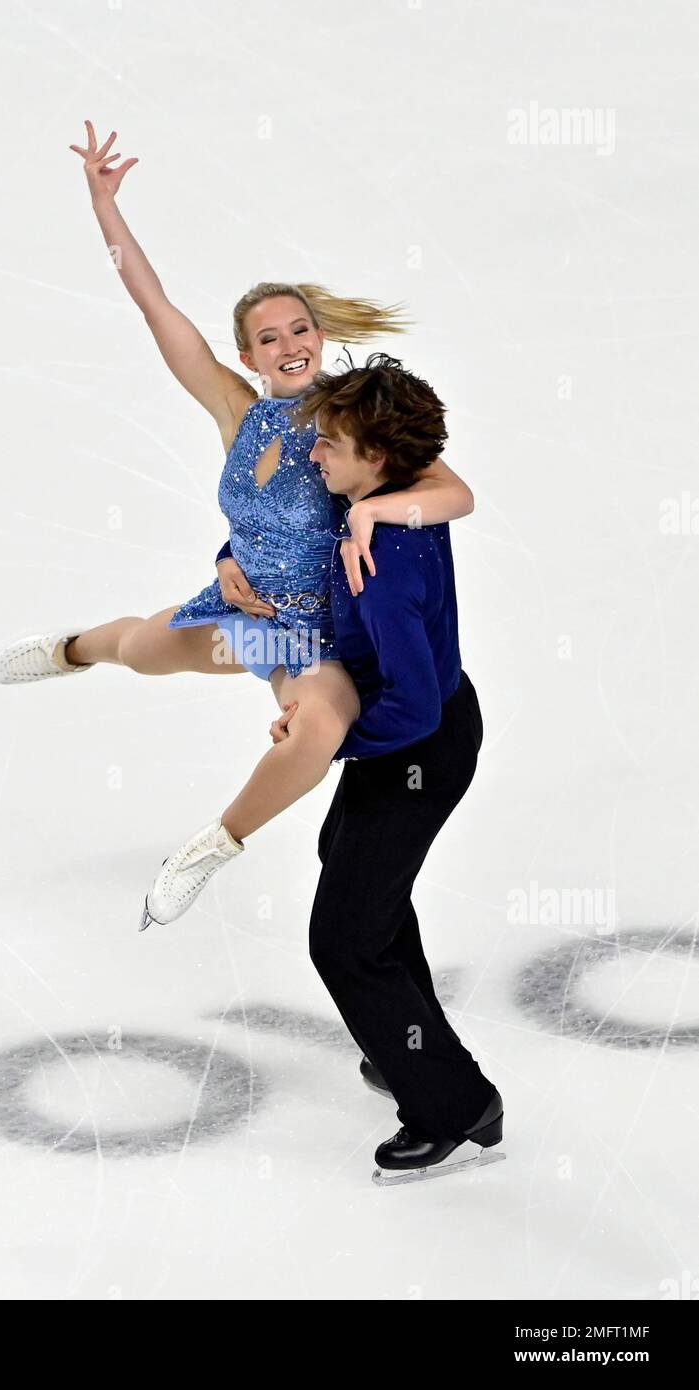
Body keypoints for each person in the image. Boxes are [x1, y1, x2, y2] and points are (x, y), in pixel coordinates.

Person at [0, 122, 474, 929]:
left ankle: (212, 845)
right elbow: (154, 306)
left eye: (299, 330)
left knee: (315, 727)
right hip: (237, 616)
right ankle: (71, 651)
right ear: (246, 356)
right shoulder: (236, 411)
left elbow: (454, 493)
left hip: (309, 641)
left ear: (322, 338)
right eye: (267, 337)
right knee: (139, 649)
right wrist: (105, 206)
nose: (287, 345)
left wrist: (377, 509)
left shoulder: (357, 420)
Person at [272, 353, 504, 1184]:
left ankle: (452, 1104)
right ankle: (404, 1046)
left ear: (375, 458)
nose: (314, 455)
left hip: (417, 746)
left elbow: (412, 708)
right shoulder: (383, 501)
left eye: (329, 443)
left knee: (341, 941)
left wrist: (322, 741)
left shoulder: (381, 572)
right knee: (358, 879)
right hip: (410, 733)